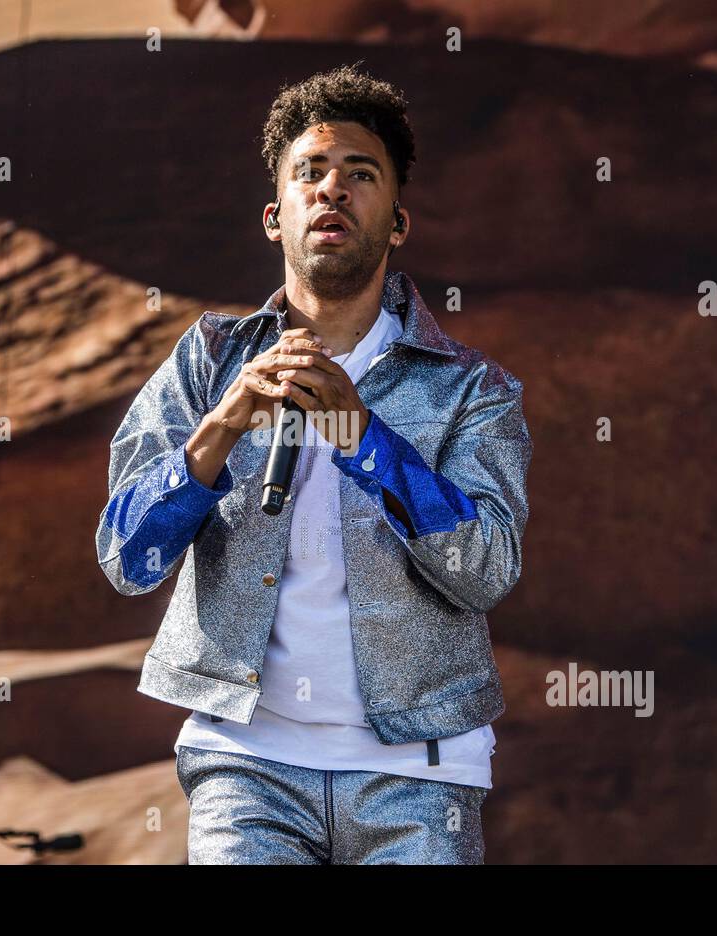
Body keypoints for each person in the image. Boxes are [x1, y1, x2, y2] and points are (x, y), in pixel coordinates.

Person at [96, 64, 532, 864]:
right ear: (275, 215)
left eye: (360, 175)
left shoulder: (475, 387)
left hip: (421, 773)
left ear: (397, 222)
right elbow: (127, 558)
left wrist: (364, 436)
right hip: (247, 765)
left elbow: (488, 569)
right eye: (311, 173)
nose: (333, 190)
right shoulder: (208, 359)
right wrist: (222, 425)